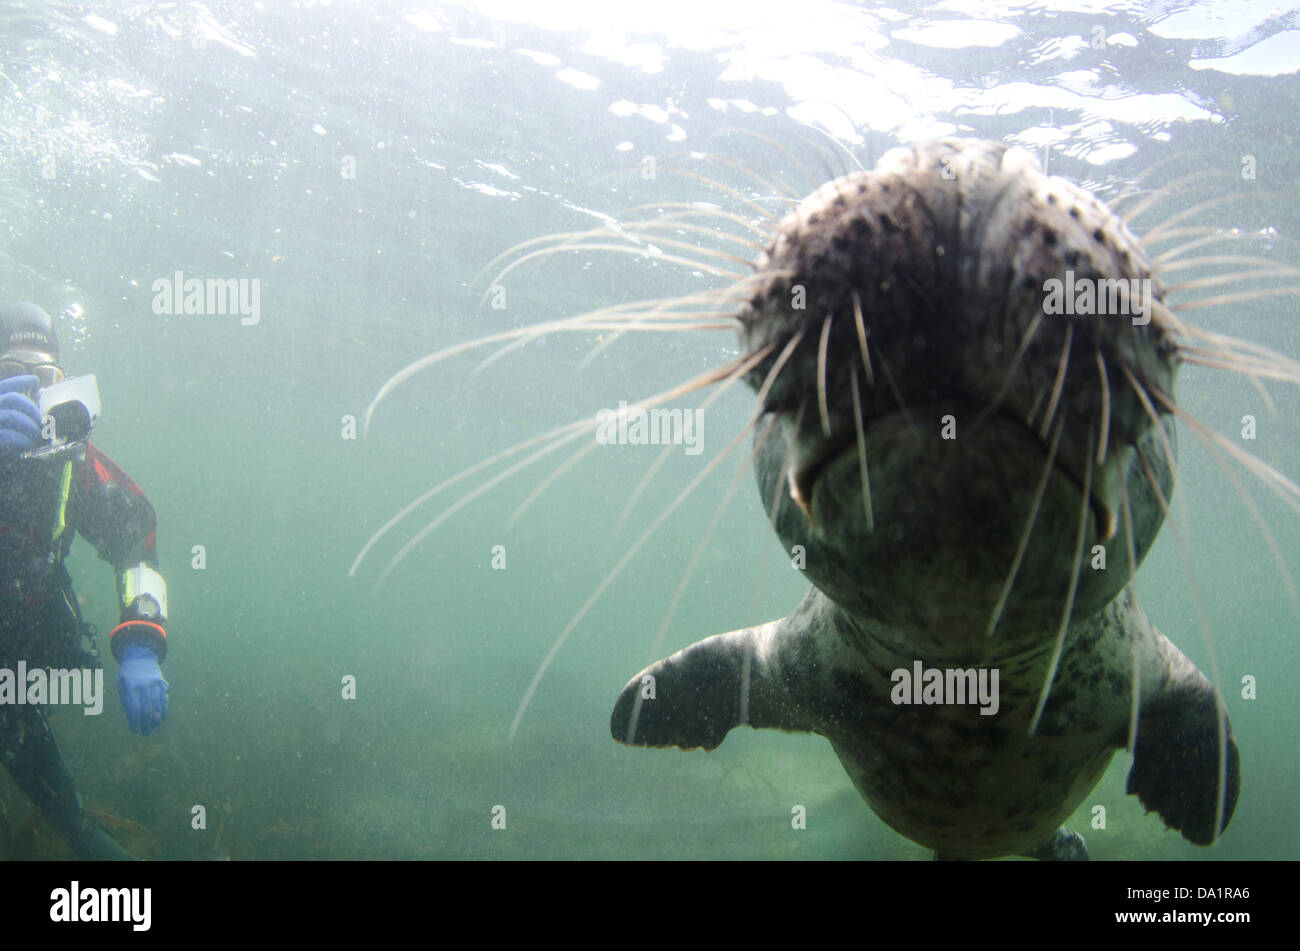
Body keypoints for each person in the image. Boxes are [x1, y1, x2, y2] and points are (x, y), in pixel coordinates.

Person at [0, 301, 169, 860]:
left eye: (41, 378)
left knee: (17, 723)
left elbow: (135, 536)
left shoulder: (69, 463)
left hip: (18, 644)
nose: (26, 393)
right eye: (8, 375)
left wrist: (141, 639)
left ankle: (71, 826)